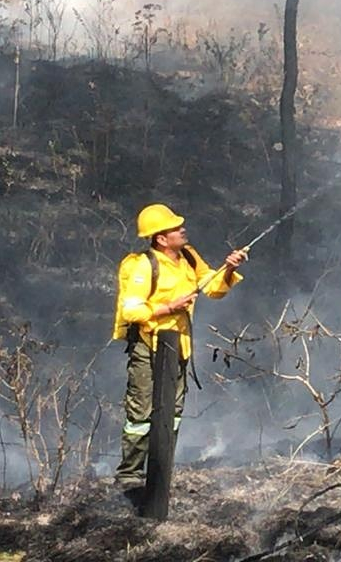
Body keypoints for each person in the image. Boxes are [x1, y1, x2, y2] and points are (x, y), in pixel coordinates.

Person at [112, 203, 246, 486]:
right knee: (141, 412)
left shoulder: (188, 256)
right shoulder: (143, 265)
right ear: (161, 238)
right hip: (148, 345)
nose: (182, 229)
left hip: (178, 346)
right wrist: (169, 307)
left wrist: (229, 268)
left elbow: (212, 288)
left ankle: (161, 472)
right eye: (175, 227)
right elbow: (131, 310)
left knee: (172, 411)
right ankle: (130, 475)